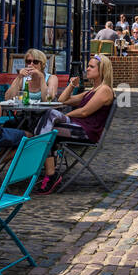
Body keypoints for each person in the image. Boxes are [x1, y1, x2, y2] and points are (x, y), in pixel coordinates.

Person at [36, 54, 116, 192]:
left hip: (86, 132)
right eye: (88, 66)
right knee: (47, 128)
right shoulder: (91, 91)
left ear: (102, 70)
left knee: (48, 121)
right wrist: (72, 85)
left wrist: (65, 115)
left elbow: (84, 112)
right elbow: (62, 100)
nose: (87, 69)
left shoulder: (105, 90)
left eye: (91, 66)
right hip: (76, 128)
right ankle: (50, 173)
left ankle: (49, 173)